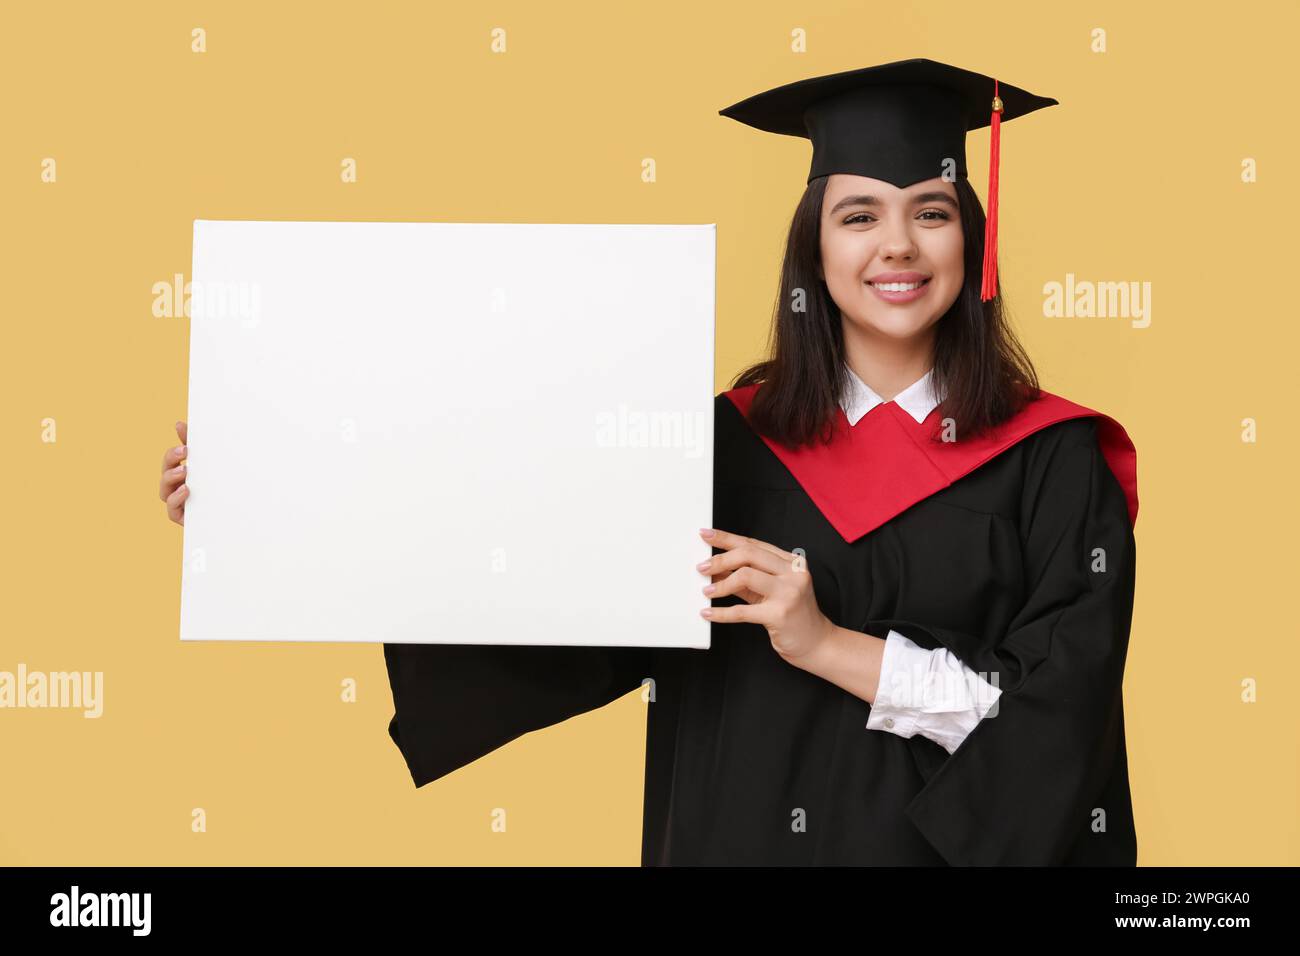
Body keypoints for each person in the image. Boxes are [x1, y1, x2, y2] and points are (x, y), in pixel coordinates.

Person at [159, 58, 1140, 865]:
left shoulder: (1052, 461)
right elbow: (539, 597)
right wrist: (273, 486)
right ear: (814, 245)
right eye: (858, 214)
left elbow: (1056, 728)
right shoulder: (718, 440)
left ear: (971, 234)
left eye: (930, 210)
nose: (898, 245)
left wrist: (825, 640)